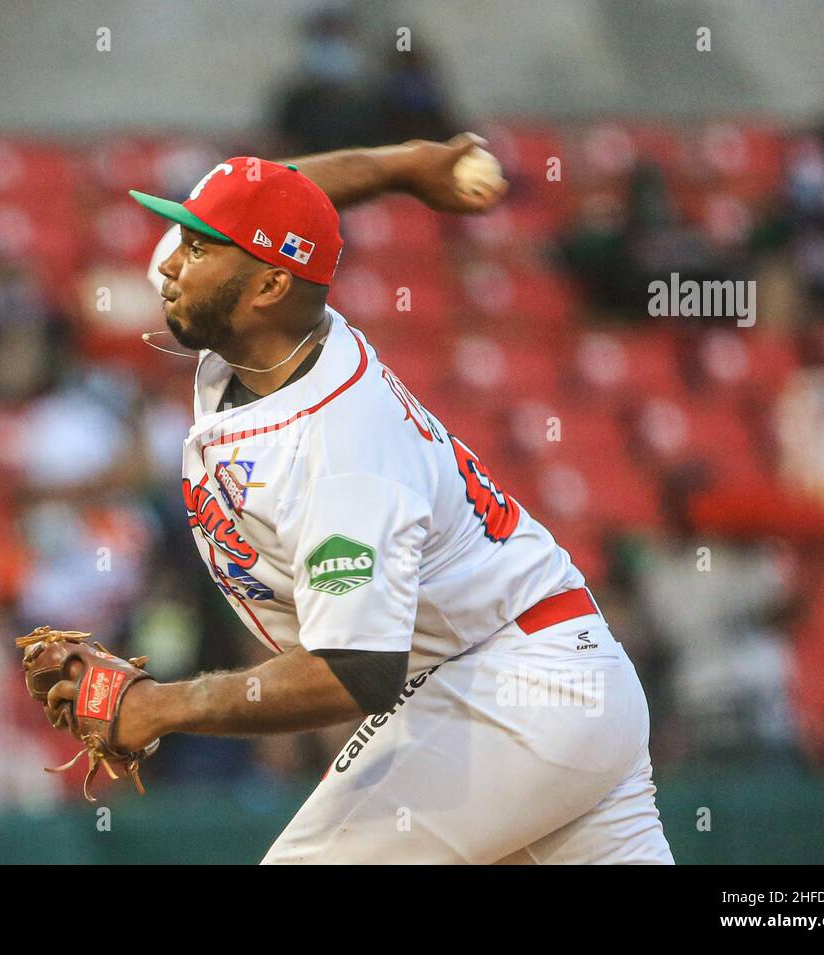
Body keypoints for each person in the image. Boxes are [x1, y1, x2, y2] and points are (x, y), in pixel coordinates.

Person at [48, 134, 673, 864]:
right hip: (554, 681)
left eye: (197, 248)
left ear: (269, 287)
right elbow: (280, 200)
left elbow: (358, 670)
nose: (170, 264)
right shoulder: (249, 315)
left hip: (509, 691)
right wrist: (401, 166)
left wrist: (157, 706)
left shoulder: (341, 450)